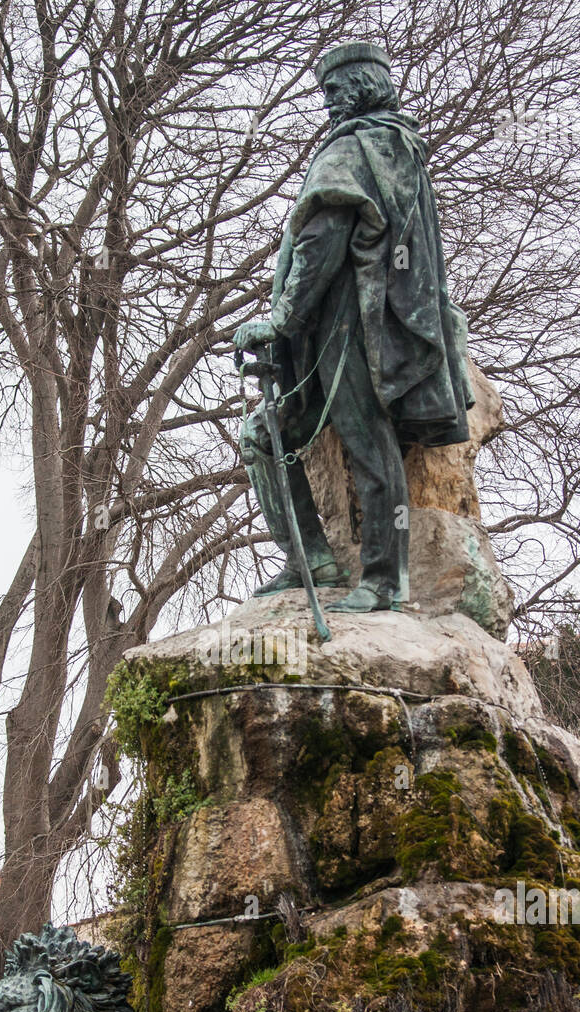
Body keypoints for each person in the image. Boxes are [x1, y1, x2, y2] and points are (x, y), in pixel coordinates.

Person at [234, 41, 474, 613]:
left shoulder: (357, 147)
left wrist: (280, 318)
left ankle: (384, 581)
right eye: (325, 90)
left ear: (367, 83)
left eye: (337, 88)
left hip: (348, 325)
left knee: (368, 442)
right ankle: (310, 559)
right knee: (264, 436)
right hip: (331, 329)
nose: (329, 100)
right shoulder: (389, 145)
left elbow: (323, 240)